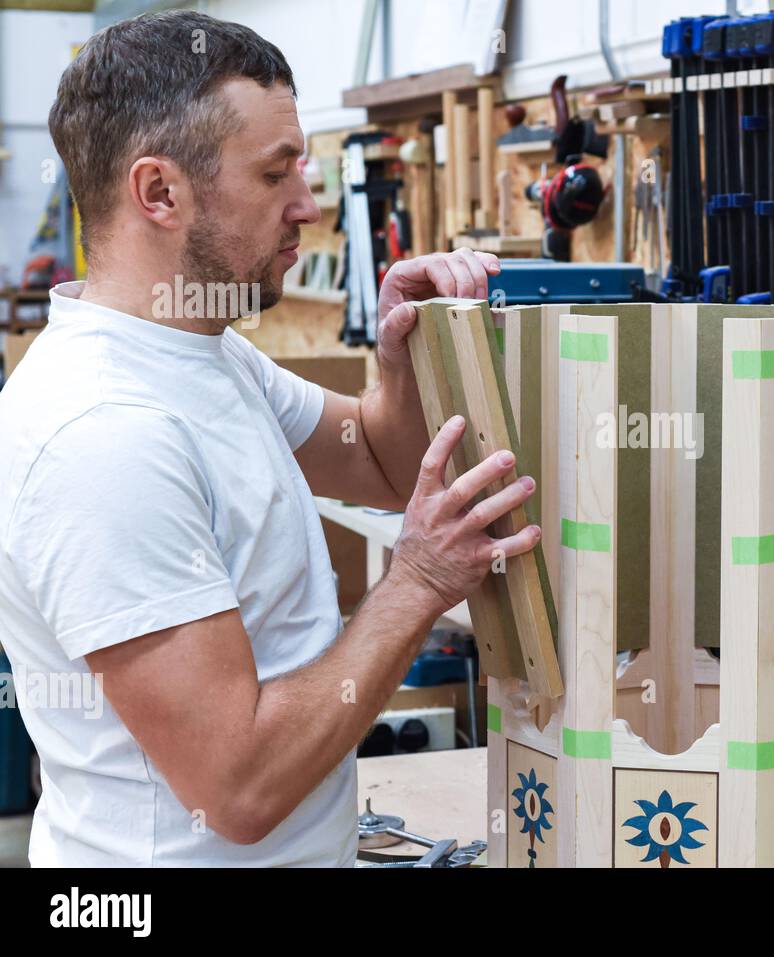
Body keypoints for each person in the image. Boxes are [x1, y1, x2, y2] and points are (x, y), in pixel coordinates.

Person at [0, 9, 536, 866]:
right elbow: (236, 785)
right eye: (275, 174)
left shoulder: (203, 352)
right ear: (159, 193)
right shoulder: (103, 435)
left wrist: (396, 356)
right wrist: (417, 583)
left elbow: (377, 461)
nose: (309, 205)